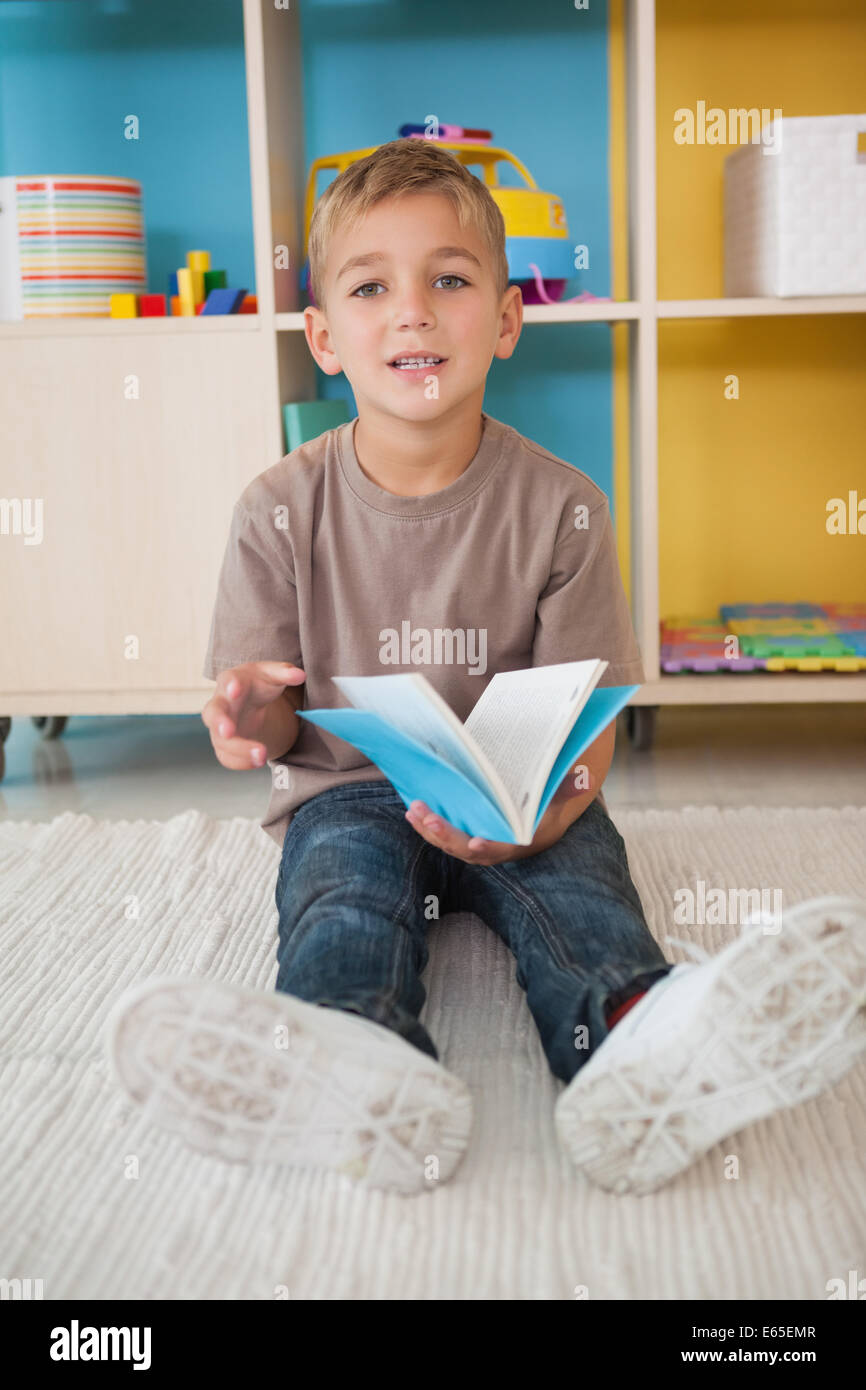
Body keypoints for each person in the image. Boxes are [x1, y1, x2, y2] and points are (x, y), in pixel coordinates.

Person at [106, 140, 866, 1198]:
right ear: (324, 337)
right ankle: (355, 1060)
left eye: (449, 280)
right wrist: (250, 717)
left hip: (525, 789)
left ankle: (639, 1044)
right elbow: (275, 718)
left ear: (504, 319)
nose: (411, 312)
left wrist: (545, 819)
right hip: (352, 789)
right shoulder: (277, 506)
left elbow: (590, 710)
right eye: (371, 286)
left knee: (584, 894)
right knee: (339, 899)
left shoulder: (562, 505)